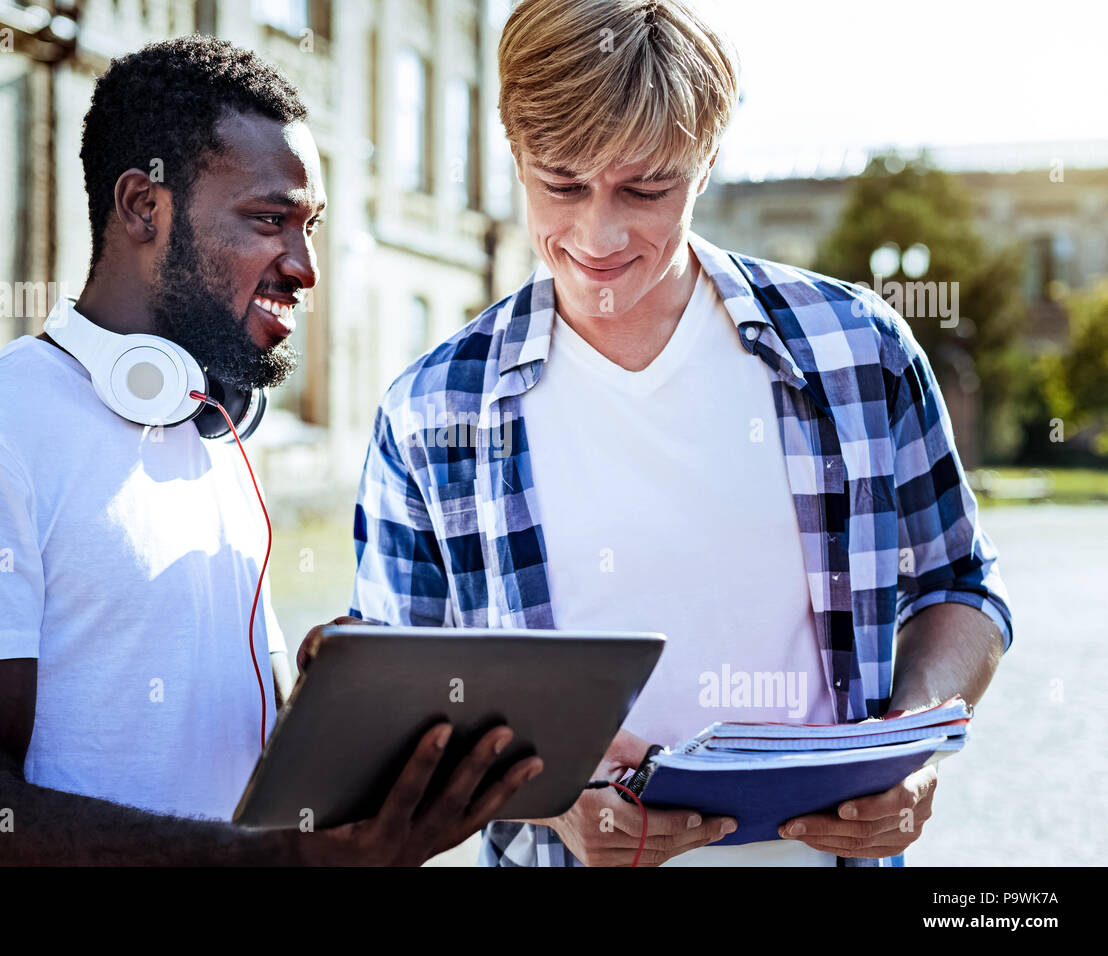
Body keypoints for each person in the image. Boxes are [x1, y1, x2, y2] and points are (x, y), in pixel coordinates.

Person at [0, 36, 541, 866]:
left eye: (309, 226)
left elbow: (224, 756)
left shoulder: (207, 425)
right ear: (144, 205)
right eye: (268, 220)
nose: (306, 267)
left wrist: (335, 705)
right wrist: (293, 862)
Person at [346, 0, 1012, 867]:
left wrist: (914, 741)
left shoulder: (860, 349)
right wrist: (547, 804)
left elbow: (962, 585)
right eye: (561, 183)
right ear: (512, 152)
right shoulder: (430, 410)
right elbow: (402, 711)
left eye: (645, 189)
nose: (598, 234)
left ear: (704, 165)